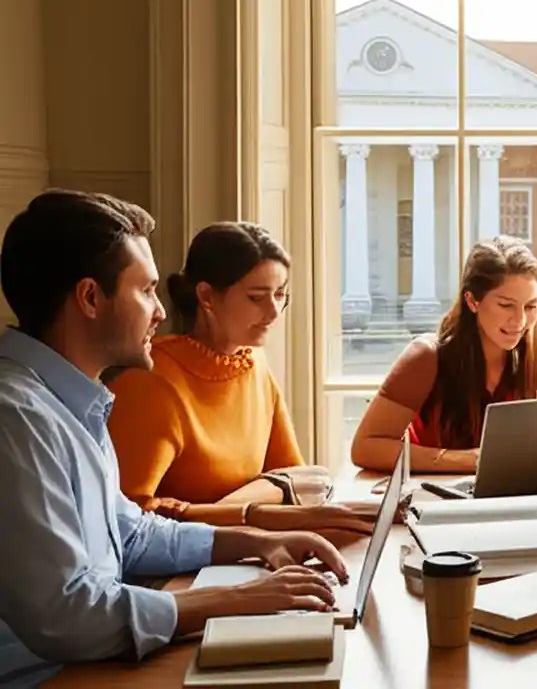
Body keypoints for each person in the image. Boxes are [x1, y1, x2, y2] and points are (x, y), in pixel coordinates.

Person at [0, 190, 348, 686]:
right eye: (145, 291)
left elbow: (132, 532)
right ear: (90, 298)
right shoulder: (17, 418)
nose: (161, 312)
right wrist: (233, 601)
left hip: (93, 661)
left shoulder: (74, 400)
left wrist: (254, 542)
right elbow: (66, 616)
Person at [106, 223, 374, 533]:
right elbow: (129, 518)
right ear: (206, 296)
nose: (273, 312)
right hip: (177, 567)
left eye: (280, 295)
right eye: (257, 297)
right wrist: (244, 513)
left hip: (246, 547)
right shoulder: (150, 383)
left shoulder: (253, 364)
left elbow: (297, 480)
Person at [351, 236, 537, 472]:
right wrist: (468, 460)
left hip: (507, 500)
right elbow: (366, 447)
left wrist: (534, 336)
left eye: (530, 306)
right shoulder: (427, 357)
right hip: (436, 501)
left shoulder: (533, 354)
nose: (520, 319)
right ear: (472, 301)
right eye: (506, 305)